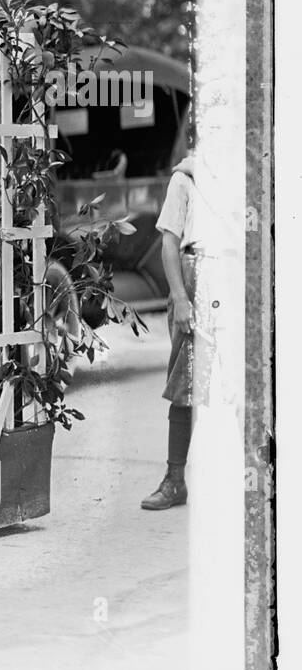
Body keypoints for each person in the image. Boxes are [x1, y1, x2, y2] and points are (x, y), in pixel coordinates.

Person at [142, 151, 200, 510]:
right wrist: (180, 297)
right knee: (185, 381)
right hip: (194, 276)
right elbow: (168, 243)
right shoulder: (185, 179)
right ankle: (174, 480)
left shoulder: (248, 174)